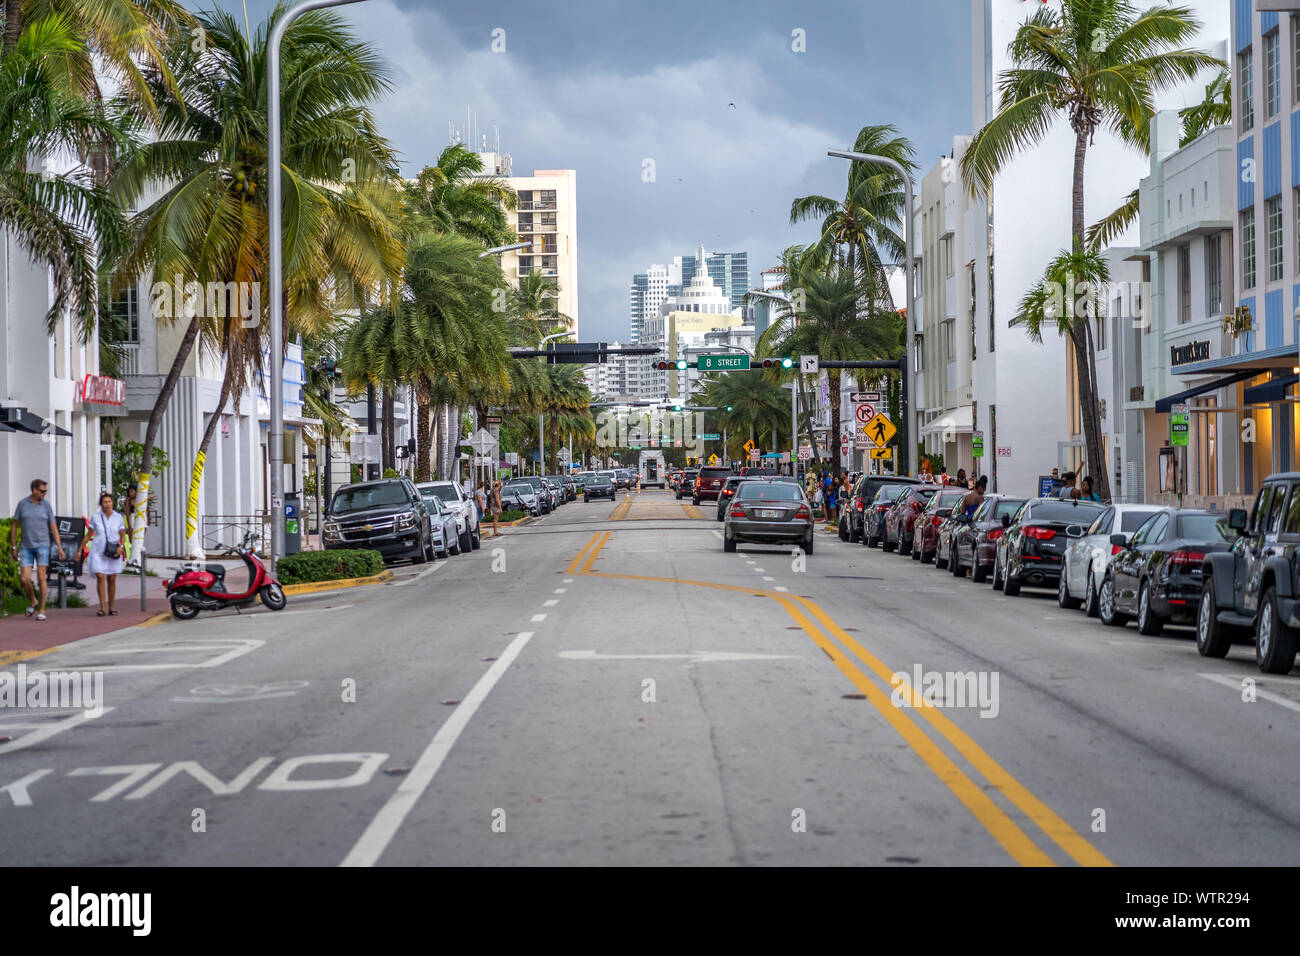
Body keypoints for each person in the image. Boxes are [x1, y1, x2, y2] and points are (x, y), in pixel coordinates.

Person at [10, 478, 65, 621]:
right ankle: (33, 600)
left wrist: (59, 547)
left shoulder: (46, 506)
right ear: (34, 490)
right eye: (42, 491)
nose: (44, 493)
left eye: (46, 491)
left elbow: (53, 527)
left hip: (43, 545)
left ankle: (42, 609)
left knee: (41, 578)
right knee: (24, 579)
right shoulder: (22, 504)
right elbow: (15, 525)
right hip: (26, 546)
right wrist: (14, 546)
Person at [80, 491, 127, 616]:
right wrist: (80, 548)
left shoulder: (118, 517)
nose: (107, 504)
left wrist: (121, 546)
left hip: (113, 551)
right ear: (101, 504)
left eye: (109, 502)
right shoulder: (96, 517)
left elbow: (122, 535)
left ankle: (111, 607)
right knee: (100, 576)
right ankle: (102, 607)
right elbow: (89, 534)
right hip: (98, 550)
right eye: (105, 502)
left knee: (112, 579)